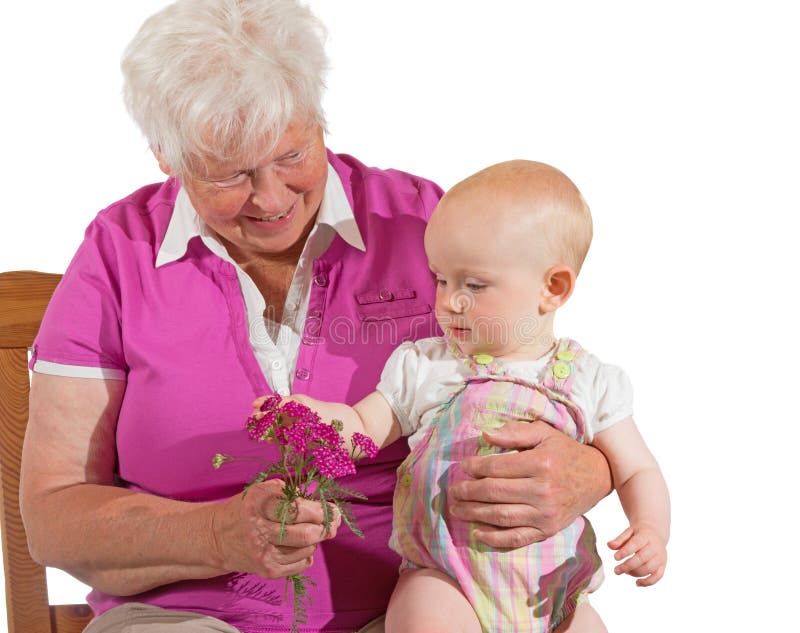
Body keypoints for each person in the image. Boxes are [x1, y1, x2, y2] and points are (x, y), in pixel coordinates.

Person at [19, 2, 613, 632]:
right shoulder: (119, 253)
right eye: (231, 174)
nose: (272, 199)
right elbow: (56, 518)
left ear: (319, 120)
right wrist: (220, 535)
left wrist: (590, 473)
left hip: (419, 608)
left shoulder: (425, 224)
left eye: (292, 155)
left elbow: (556, 379)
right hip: (187, 617)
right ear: (167, 157)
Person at [270, 161, 670, 632]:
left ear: (553, 288)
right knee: (422, 618)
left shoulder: (588, 379)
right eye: (441, 279)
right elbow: (363, 427)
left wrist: (651, 530)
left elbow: (637, 467)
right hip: (445, 579)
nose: (448, 301)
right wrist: (315, 420)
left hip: (552, 591)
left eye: (473, 285)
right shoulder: (428, 365)